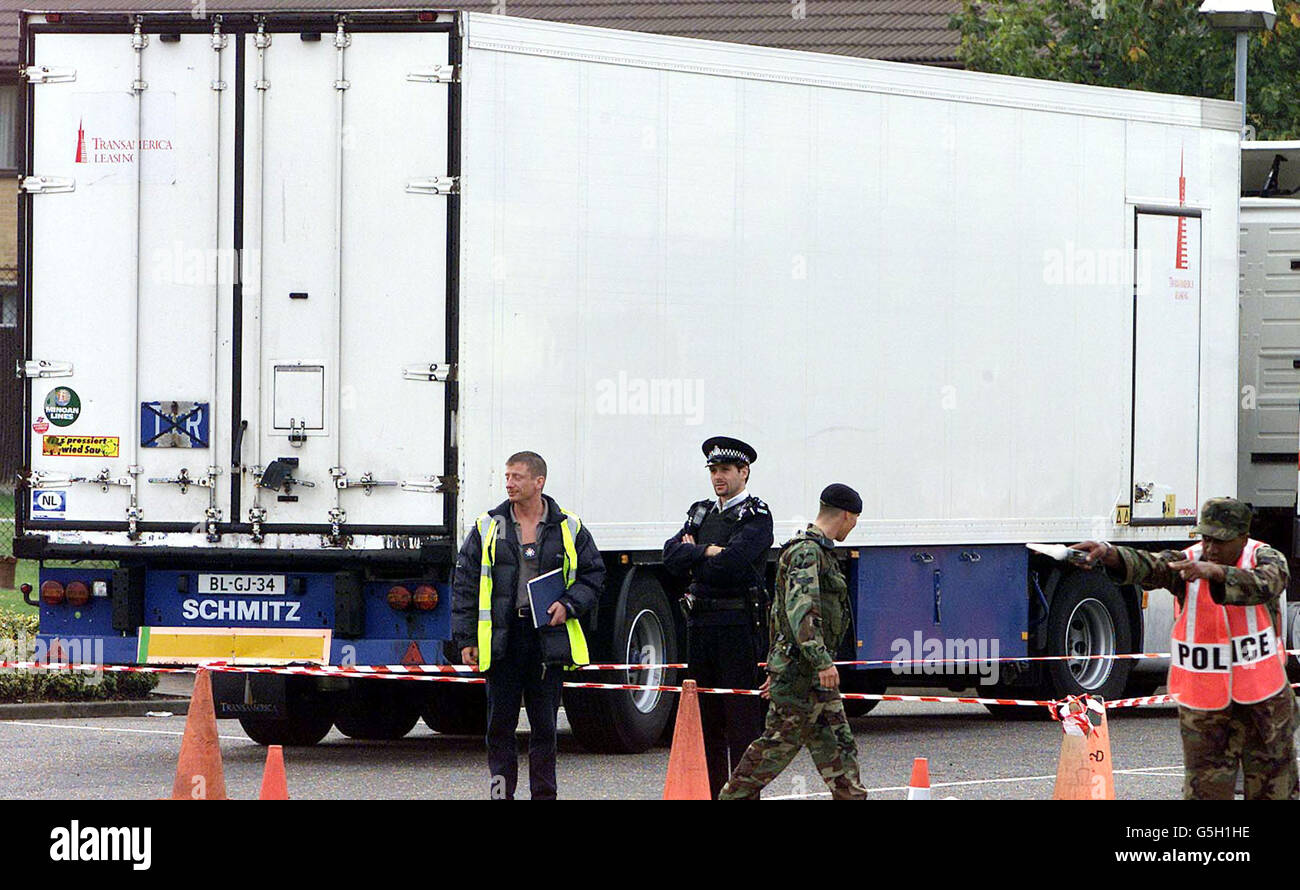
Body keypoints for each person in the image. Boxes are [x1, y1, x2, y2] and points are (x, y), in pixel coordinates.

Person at [1072, 497, 1297, 800]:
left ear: (1243, 537)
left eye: (1220, 540)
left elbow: (1267, 583)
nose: (1211, 547)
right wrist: (1110, 555)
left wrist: (1216, 574)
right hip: (1205, 705)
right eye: (1206, 538)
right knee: (1204, 793)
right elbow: (1150, 565)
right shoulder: (1188, 562)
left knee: (1276, 791)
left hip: (1263, 702)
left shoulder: (1264, 558)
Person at [451, 451, 604, 800]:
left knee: (545, 730)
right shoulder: (488, 526)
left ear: (539, 482)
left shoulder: (569, 526)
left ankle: (544, 796)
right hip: (503, 641)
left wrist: (568, 604)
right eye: (506, 476)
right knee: (499, 731)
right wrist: (466, 638)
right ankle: (500, 795)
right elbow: (465, 584)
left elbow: (594, 576)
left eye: (517, 477)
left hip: (546, 640)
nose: (509, 483)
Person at [720, 484, 870, 800]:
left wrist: (781, 666)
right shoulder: (807, 552)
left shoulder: (816, 551)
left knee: (840, 747)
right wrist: (820, 660)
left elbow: (780, 615)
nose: (853, 526)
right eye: (854, 519)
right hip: (802, 674)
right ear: (845, 515)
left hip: (806, 674)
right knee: (776, 747)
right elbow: (801, 609)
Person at [663, 436, 774, 798]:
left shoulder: (755, 515)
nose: (718, 477)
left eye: (725, 469)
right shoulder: (700, 512)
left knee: (742, 723)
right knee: (707, 722)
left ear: (744, 472)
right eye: (713, 470)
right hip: (701, 625)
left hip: (737, 626)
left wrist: (694, 554)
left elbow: (735, 564)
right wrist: (707, 551)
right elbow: (669, 557)